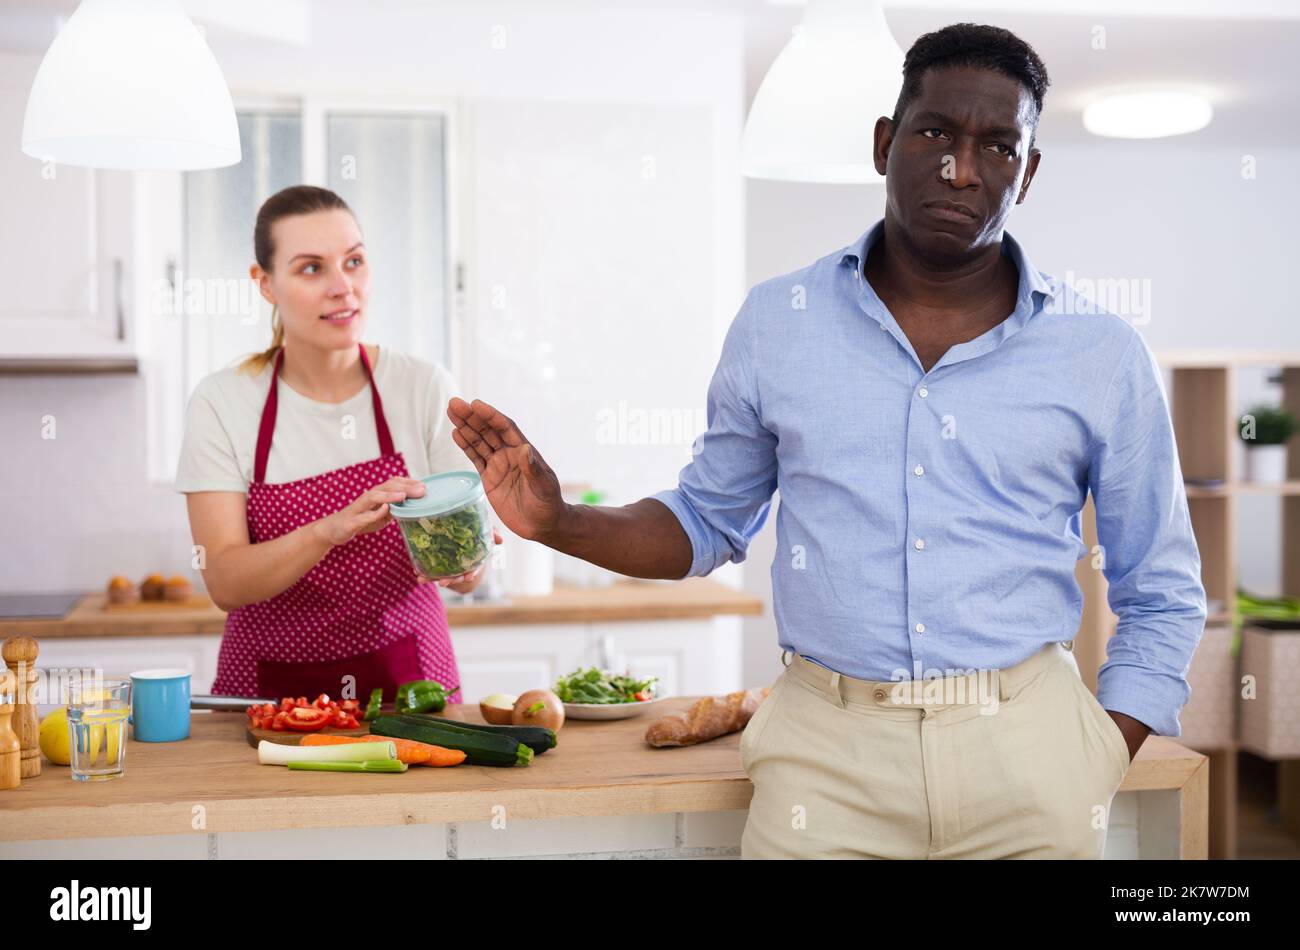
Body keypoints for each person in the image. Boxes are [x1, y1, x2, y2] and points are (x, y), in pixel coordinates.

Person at [444, 23, 1206, 858]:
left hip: (1030, 757)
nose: (962, 168)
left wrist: (1097, 752)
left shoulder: (1099, 352)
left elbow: (1161, 587)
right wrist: (560, 523)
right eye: (935, 133)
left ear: (1025, 173)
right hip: (825, 764)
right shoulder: (779, 324)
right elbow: (705, 522)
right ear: (885, 143)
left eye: (997, 145)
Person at [176, 185, 495, 702]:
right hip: (270, 697)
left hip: (412, 684)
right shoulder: (223, 401)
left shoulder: (422, 386)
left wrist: (470, 563)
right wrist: (330, 530)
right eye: (310, 268)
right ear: (265, 283)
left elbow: (468, 564)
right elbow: (225, 581)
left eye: (354, 261)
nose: (343, 287)